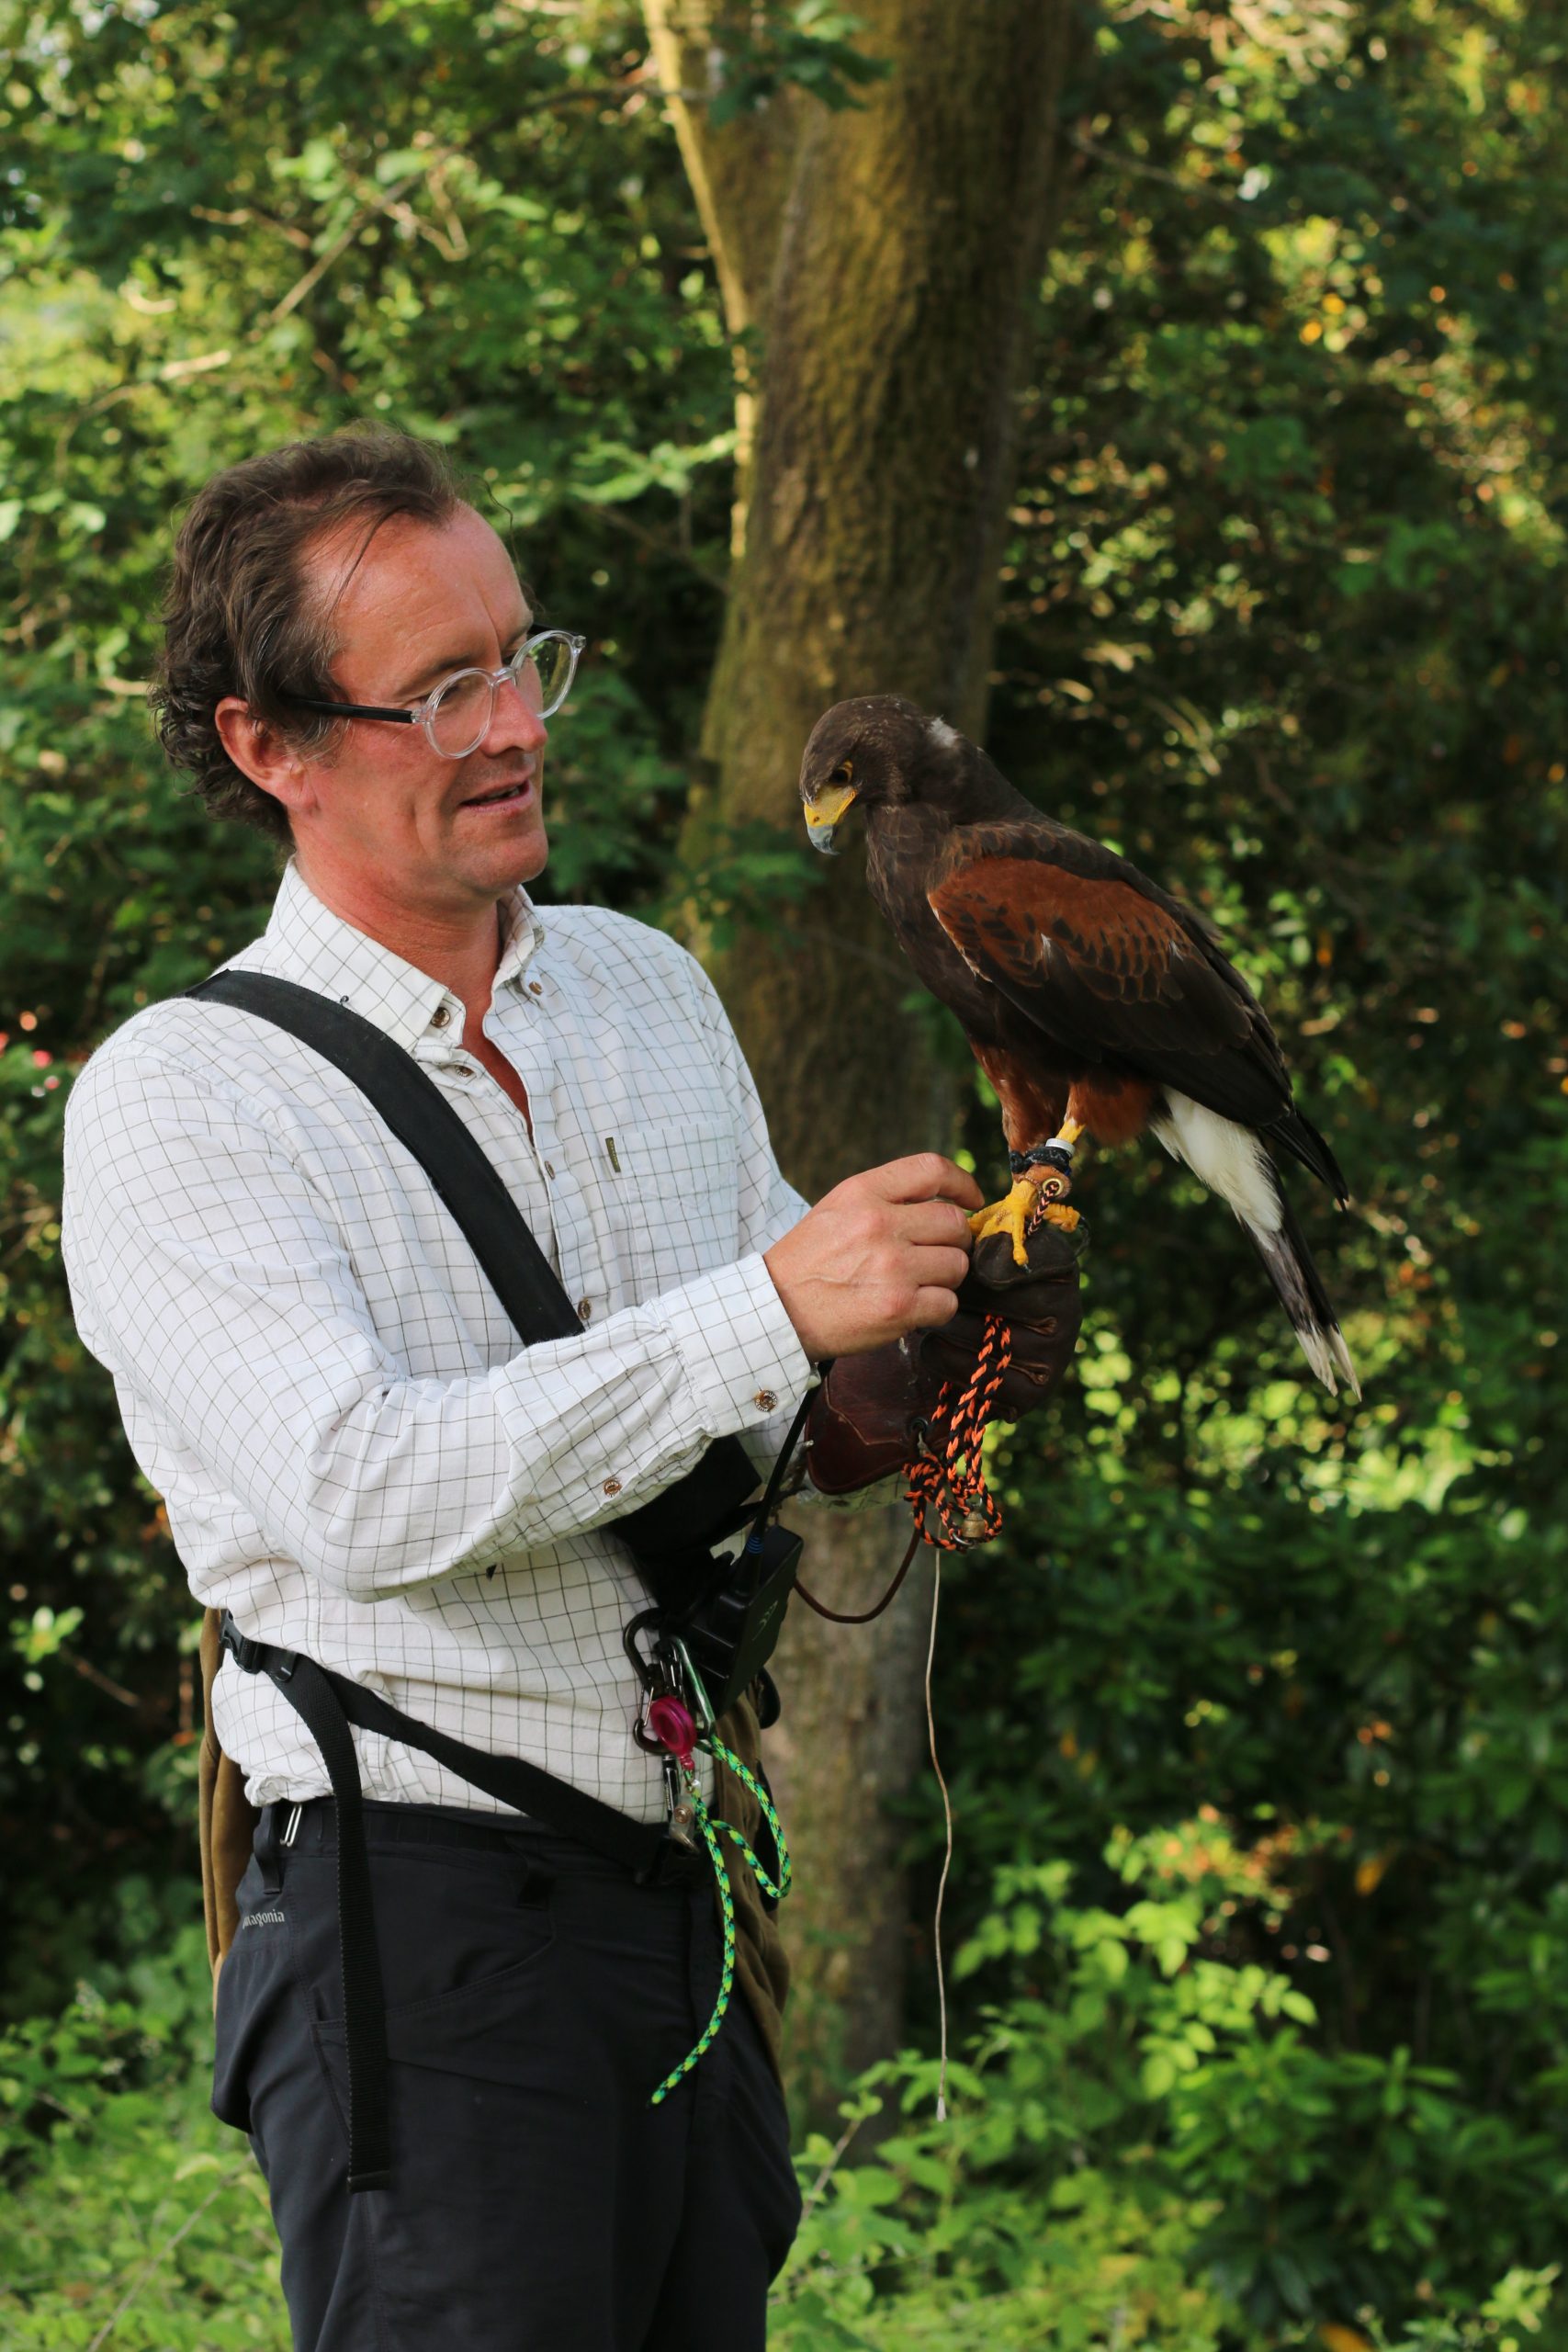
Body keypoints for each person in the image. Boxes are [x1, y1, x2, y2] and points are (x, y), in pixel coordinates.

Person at [61, 429, 1080, 2352]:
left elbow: (788, 1418)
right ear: (268, 744)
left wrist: (932, 1345)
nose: (515, 721)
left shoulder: (641, 990)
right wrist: (772, 1307)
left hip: (682, 1895)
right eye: (441, 688)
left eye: (526, 658)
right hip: (415, 1925)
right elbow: (362, 1488)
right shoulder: (183, 1096)